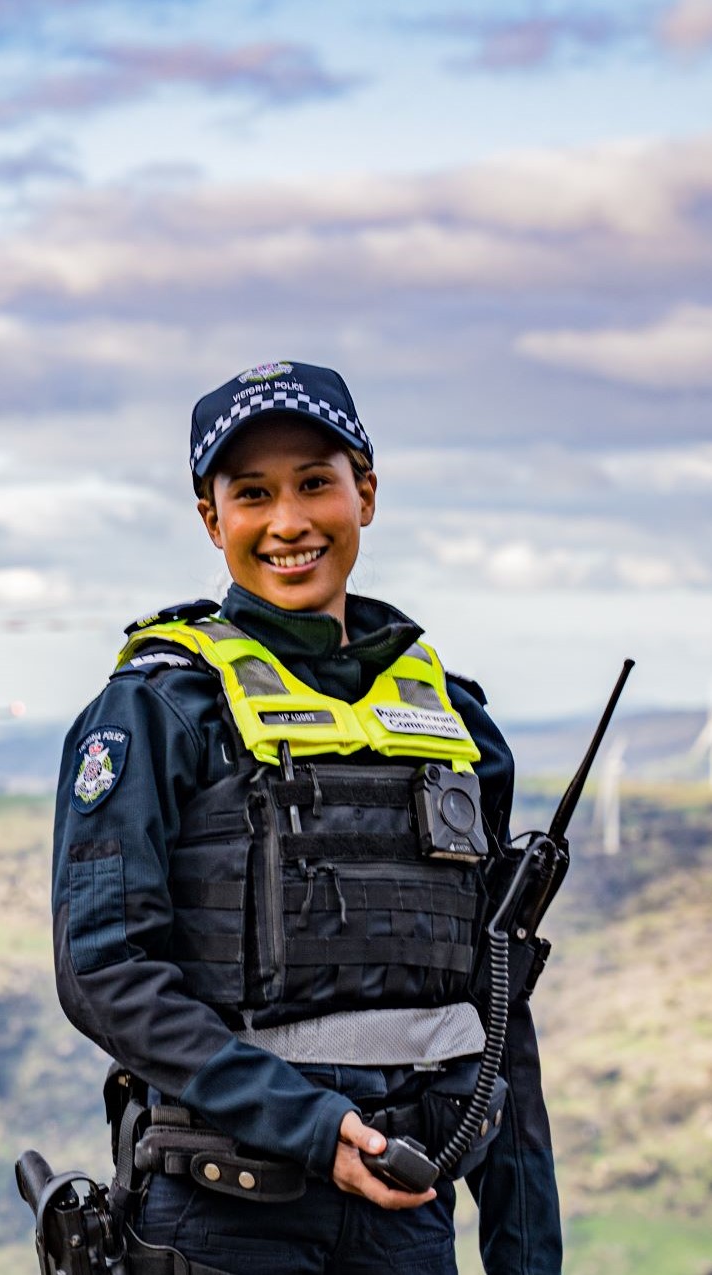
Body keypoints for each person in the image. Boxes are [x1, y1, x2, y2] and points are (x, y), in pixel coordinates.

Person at [49, 361, 560, 1275]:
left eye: (315, 483)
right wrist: (314, 1129)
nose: (289, 522)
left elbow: (497, 1008)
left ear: (365, 492)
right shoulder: (159, 710)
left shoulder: (457, 724)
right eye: (253, 494)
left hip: (410, 1215)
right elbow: (105, 969)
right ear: (213, 518)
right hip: (224, 1214)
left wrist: (528, 1256)